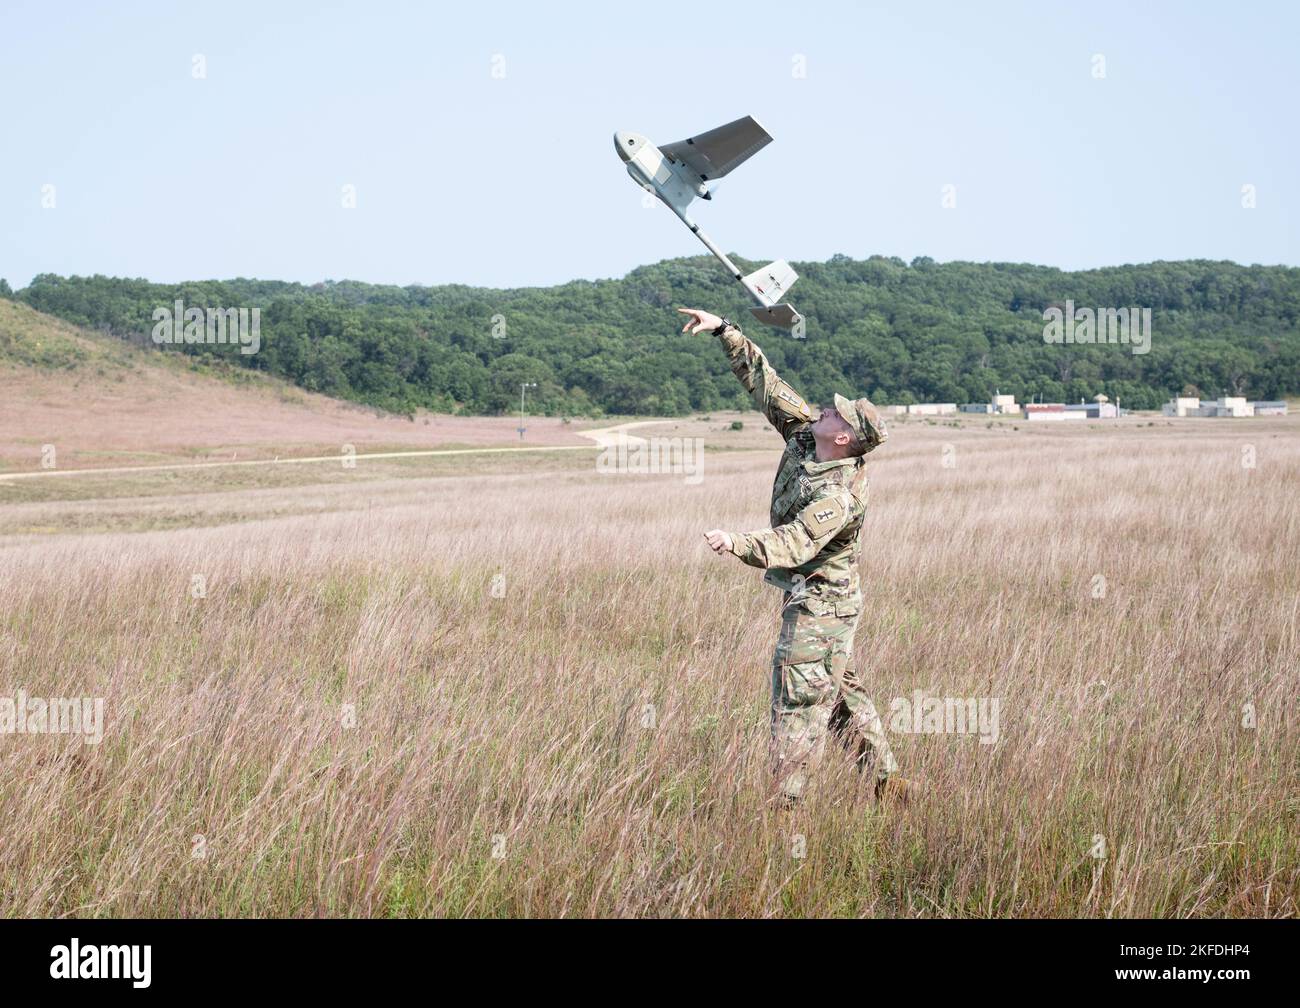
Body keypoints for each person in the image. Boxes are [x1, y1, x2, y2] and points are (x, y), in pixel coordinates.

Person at [679, 307, 913, 805]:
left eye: (836, 413)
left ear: (845, 437)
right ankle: (889, 783)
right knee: (839, 696)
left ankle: (786, 807)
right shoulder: (808, 434)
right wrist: (724, 330)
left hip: (823, 604)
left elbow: (795, 542)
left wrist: (737, 542)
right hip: (811, 595)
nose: (825, 409)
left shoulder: (841, 495)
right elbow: (767, 385)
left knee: (798, 698)